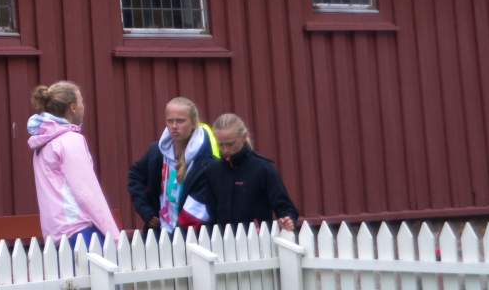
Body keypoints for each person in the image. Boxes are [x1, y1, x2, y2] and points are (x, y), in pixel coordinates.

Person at [27, 81, 121, 250]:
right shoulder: (71, 140)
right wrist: (113, 234)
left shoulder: (42, 143)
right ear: (73, 108)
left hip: (54, 234)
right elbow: (87, 191)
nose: (84, 106)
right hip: (79, 229)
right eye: (81, 101)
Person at [126, 96, 219, 231]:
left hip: (193, 235)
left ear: (194, 123)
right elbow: (135, 176)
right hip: (160, 233)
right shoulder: (156, 152)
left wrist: (180, 232)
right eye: (170, 121)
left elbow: (201, 204)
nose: (174, 126)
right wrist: (146, 212)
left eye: (180, 121)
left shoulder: (205, 160)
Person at [207, 114, 300, 231]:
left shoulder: (263, 168)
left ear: (244, 137)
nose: (225, 150)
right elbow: (207, 211)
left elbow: (285, 207)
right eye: (221, 145)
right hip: (220, 243)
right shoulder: (212, 170)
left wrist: (287, 219)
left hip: (258, 242)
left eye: (230, 144)